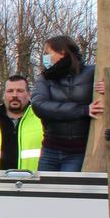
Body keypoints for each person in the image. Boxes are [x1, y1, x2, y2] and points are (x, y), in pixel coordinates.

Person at [32, 35, 97, 172]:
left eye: (48, 53)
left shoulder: (92, 73)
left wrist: (107, 87)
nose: (45, 58)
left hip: (78, 152)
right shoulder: (45, 78)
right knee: (45, 191)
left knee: (68, 191)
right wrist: (82, 110)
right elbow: (39, 106)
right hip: (50, 149)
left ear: (62, 52)